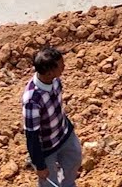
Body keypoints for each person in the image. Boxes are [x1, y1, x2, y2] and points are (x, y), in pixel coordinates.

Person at [22, 47, 83, 187]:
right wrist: (40, 165)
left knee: (74, 160)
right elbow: (32, 135)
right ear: (49, 73)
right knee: (49, 182)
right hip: (46, 147)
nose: (64, 67)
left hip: (63, 134)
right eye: (61, 66)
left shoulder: (55, 81)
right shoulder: (32, 100)